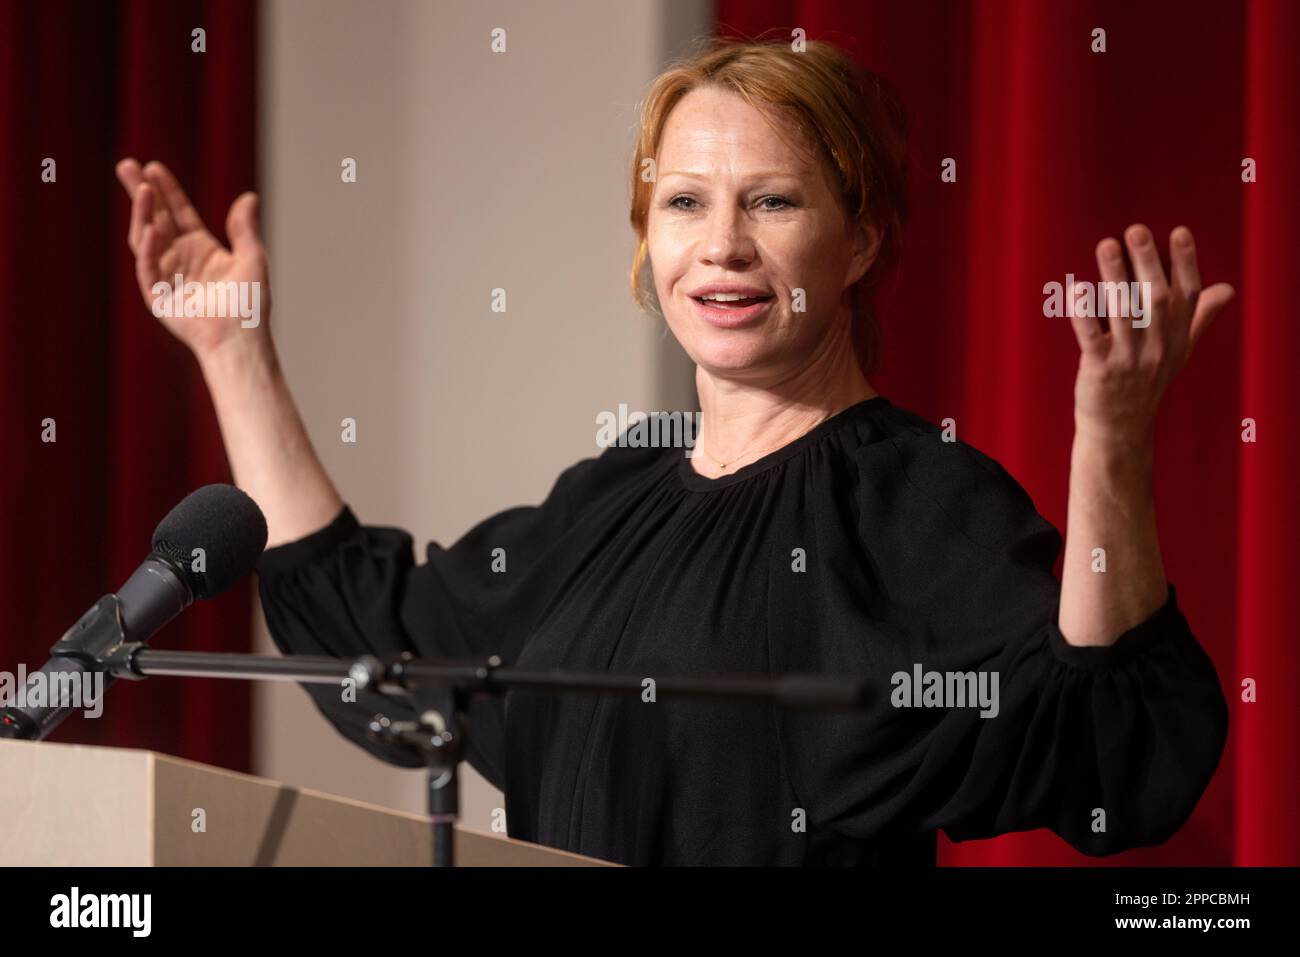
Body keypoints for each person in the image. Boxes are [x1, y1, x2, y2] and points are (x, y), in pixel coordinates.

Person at [114, 38, 1230, 866]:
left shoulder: (917, 498)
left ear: (863, 238)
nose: (722, 245)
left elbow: (1105, 734)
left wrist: (1111, 441)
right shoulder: (612, 497)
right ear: (649, 242)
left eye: (774, 200)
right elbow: (379, 634)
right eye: (684, 202)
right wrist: (232, 350)